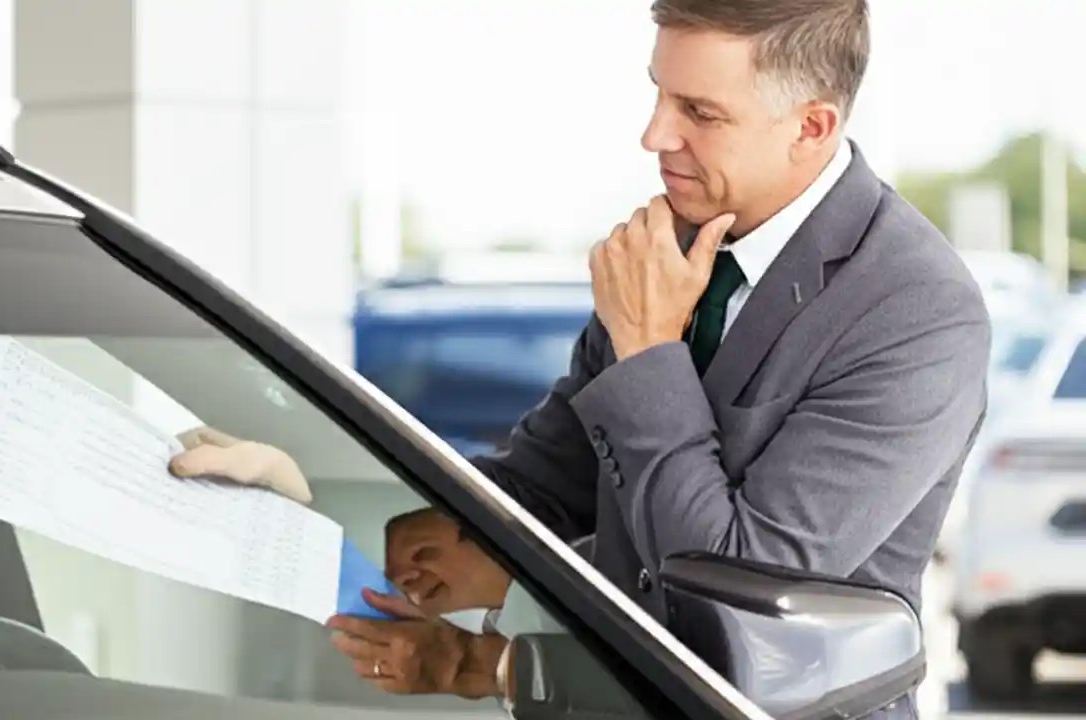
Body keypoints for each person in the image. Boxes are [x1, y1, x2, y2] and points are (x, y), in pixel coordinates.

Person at [172, 0, 991, 714]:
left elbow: (730, 590)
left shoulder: (916, 313)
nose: (653, 134)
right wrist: (307, 486)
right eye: (658, 93)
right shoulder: (669, 247)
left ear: (812, 126)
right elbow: (534, 494)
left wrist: (646, 351)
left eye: (699, 112)